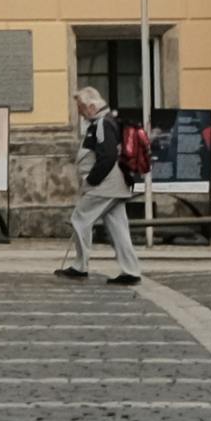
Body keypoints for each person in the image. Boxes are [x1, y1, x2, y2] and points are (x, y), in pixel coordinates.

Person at [62, 87, 147, 283]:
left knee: (80, 219)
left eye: (81, 107)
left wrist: (91, 181)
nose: (80, 111)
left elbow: (107, 156)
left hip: (106, 184)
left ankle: (80, 267)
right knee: (118, 228)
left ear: (92, 107)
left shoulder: (102, 124)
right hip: (115, 184)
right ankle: (131, 271)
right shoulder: (105, 121)